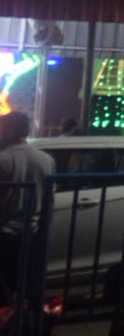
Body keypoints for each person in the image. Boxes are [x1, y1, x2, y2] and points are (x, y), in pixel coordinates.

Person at [0, 111, 57, 304]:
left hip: (6, 232)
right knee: (26, 285)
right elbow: (50, 198)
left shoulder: (4, 159)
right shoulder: (46, 159)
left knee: (5, 287)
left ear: (8, 130)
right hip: (33, 232)